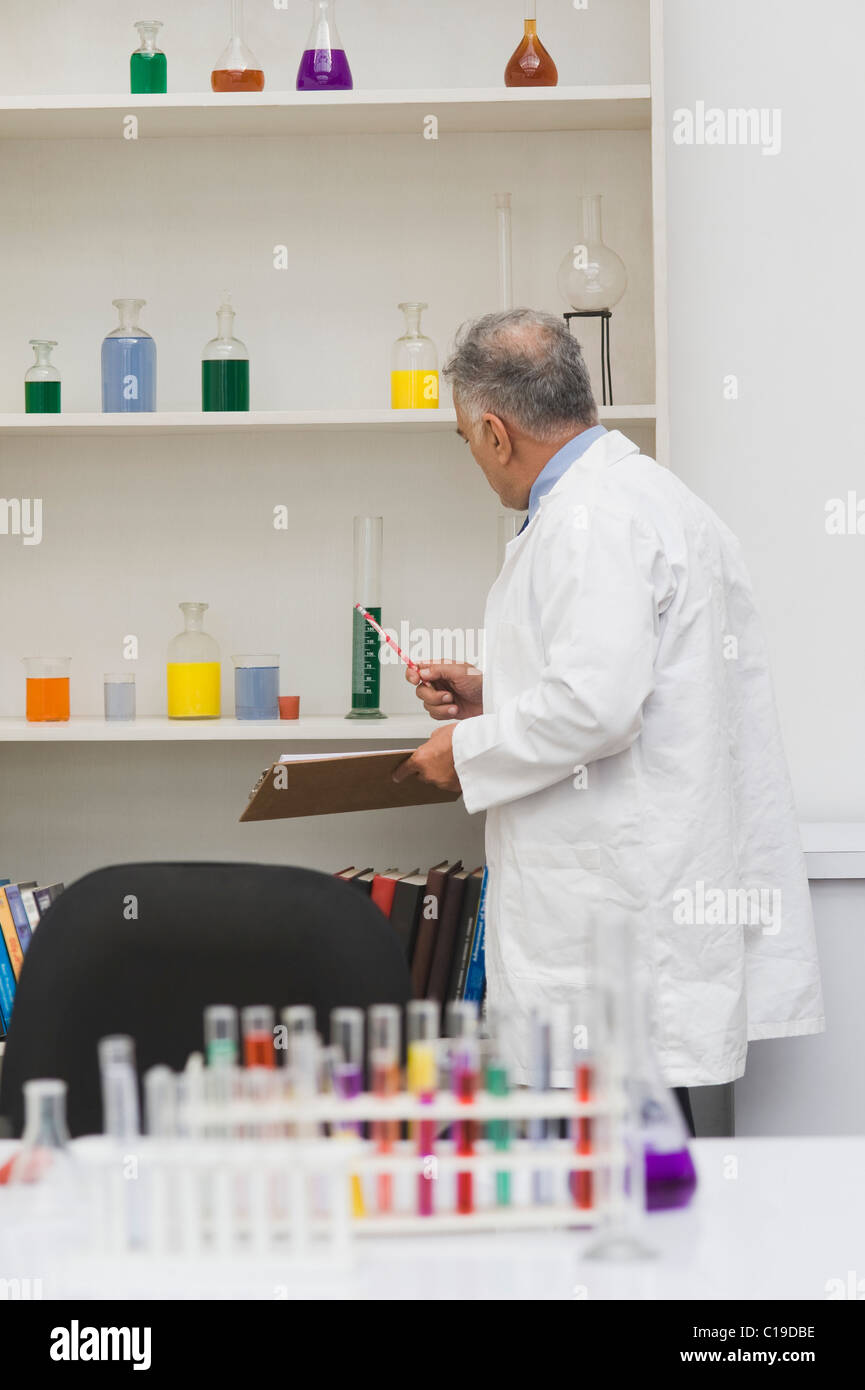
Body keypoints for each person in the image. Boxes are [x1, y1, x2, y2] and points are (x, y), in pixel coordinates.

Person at [394, 309, 824, 1109]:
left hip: (616, 916)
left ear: (493, 431)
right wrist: (502, 693)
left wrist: (464, 750)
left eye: (464, 441)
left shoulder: (593, 520)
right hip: (644, 901)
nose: (476, 461)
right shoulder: (646, 497)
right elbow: (646, 683)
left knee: (616, 1188)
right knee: (644, 1172)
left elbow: (596, 706)